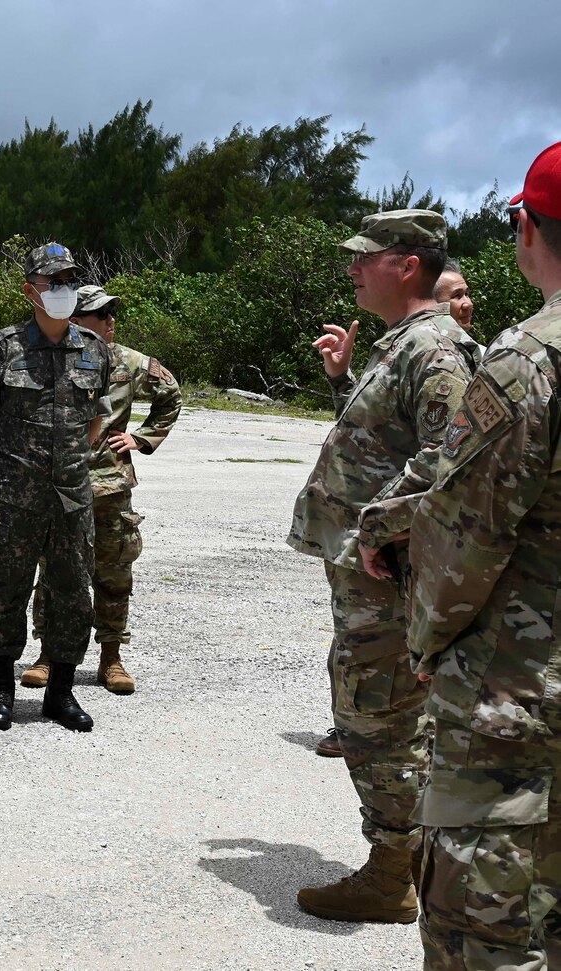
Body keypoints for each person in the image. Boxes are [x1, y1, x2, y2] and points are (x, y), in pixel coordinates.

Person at [287, 209, 477, 923]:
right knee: (375, 710)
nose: (353, 268)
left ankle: (394, 873)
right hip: (372, 573)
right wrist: (342, 383)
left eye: (366, 257)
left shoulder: (434, 349)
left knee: (381, 718)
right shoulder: (406, 344)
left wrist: (377, 522)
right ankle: (405, 860)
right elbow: (391, 443)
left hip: (388, 576)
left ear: (407, 264)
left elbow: (449, 458)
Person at [406, 139, 561, 969]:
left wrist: (427, 641)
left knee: (489, 941)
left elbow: (466, 533)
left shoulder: (528, 363)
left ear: (527, 229)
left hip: (518, 712)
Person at [0, 241, 111, 733]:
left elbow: (95, 421)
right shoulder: (2, 345)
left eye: (70, 280)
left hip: (72, 495)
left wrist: (64, 464)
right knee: (6, 588)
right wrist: (14, 465)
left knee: (72, 591)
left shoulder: (94, 349)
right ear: (31, 290)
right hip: (14, 495)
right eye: (54, 282)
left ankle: (61, 693)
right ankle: (1, 689)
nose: (64, 290)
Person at [24, 285, 181, 695]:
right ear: (76, 319)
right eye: (101, 313)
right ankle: (46, 653)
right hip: (60, 485)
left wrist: (142, 438)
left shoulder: (130, 361)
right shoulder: (54, 358)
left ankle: (111, 657)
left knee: (113, 573)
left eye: (113, 313)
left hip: (109, 487)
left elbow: (171, 394)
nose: (111, 320)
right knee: (54, 572)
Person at [433, 258, 483, 355]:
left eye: (467, 294)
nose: (468, 304)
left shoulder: (481, 355)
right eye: (457, 296)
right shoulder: (431, 353)